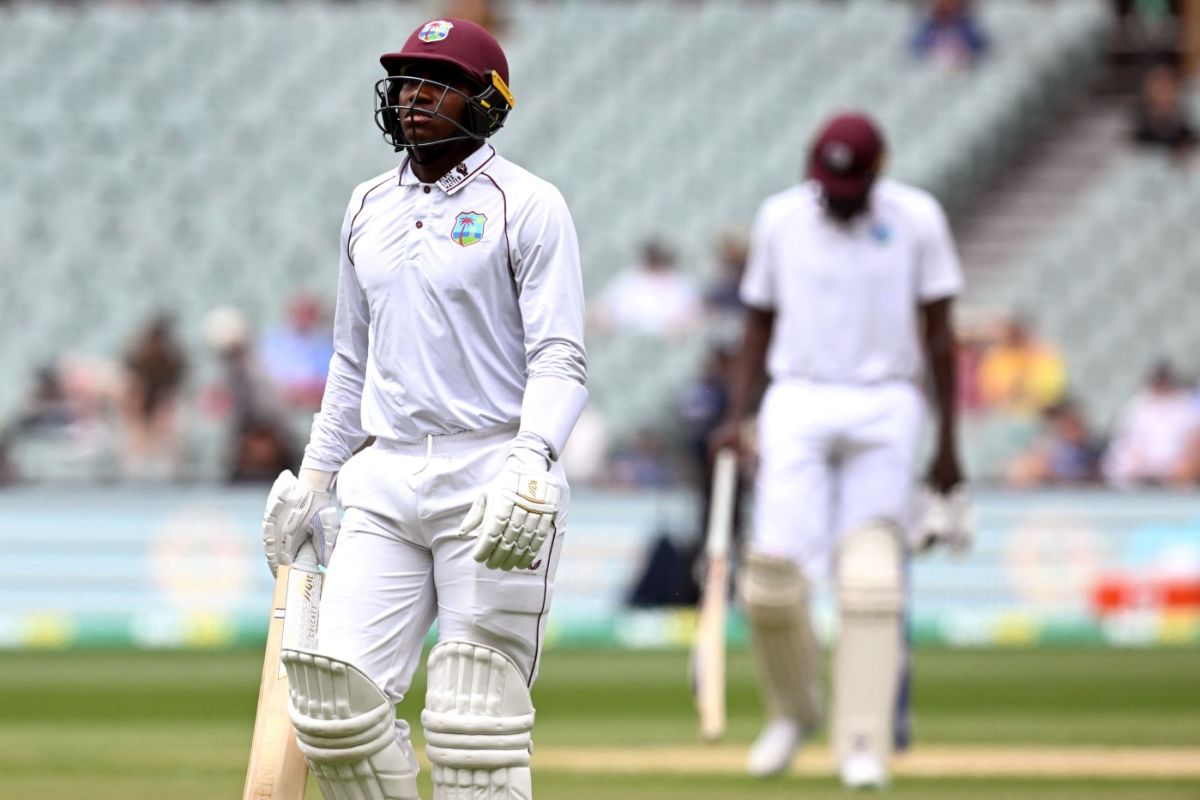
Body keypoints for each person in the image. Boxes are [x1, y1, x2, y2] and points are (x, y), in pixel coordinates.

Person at [259, 18, 586, 800]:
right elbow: (350, 358)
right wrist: (315, 477)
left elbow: (562, 358)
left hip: (491, 472)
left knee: (476, 731)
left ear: (485, 101)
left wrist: (530, 457)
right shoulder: (365, 204)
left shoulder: (530, 205)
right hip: (385, 476)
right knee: (336, 715)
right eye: (404, 83)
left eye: (432, 84)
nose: (410, 99)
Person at [712, 112, 966, 788]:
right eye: (826, 183)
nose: (836, 196)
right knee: (770, 580)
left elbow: (942, 334)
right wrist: (738, 416)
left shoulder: (917, 219)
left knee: (872, 579)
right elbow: (758, 323)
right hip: (798, 397)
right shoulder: (780, 219)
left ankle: (862, 739)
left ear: (878, 171)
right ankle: (795, 711)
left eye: (850, 186)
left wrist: (948, 444)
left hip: (887, 402)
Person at [1103, 361, 1200, 488]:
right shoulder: (1137, 405)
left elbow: (1194, 440)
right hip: (1142, 474)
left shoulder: (1186, 405)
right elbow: (1126, 442)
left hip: (1177, 475)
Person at [591, 239, 704, 338]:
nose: (657, 261)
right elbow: (602, 310)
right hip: (628, 340)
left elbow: (697, 318)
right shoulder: (627, 281)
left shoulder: (682, 284)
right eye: (654, 257)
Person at [977, 314, 1067, 417]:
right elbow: (993, 394)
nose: (1010, 340)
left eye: (1013, 335)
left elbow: (1054, 387)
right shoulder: (994, 361)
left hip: (1043, 409)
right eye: (1006, 337)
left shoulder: (1042, 351)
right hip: (1016, 415)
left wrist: (1025, 385)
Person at [1131, 62, 1198, 156]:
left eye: (1167, 84)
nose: (1162, 89)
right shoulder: (1134, 122)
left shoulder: (1186, 120)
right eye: (1157, 83)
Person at [911, 0, 988, 71]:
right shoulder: (925, 30)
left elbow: (980, 53)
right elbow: (918, 53)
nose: (946, 4)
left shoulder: (971, 29)